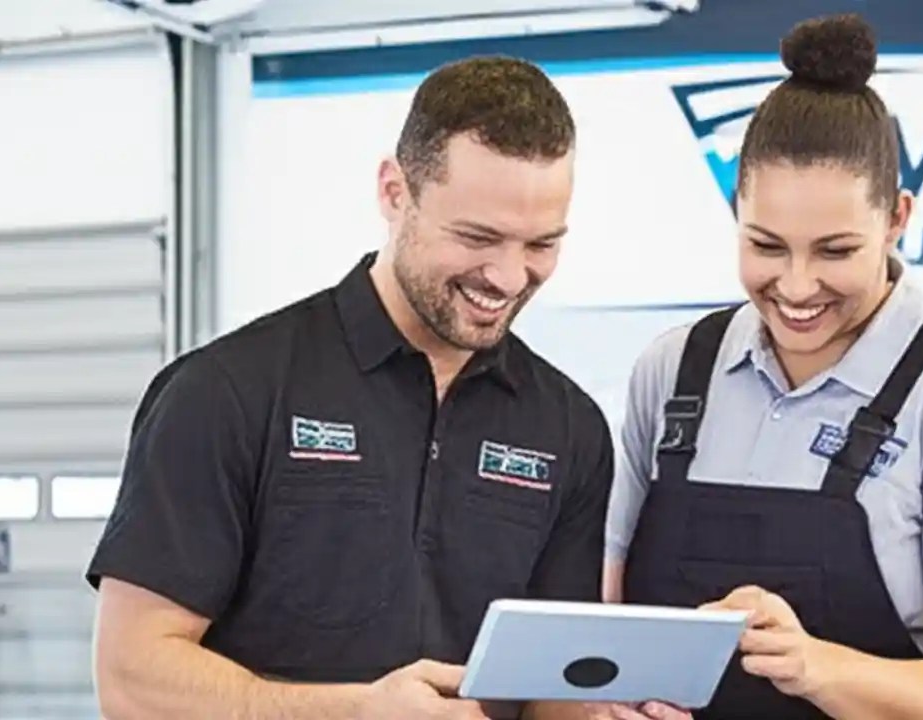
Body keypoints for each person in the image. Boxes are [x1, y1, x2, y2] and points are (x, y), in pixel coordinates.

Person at [85, 54, 614, 720]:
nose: (509, 277)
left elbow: (551, 697)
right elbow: (132, 680)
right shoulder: (225, 394)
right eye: (477, 237)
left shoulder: (569, 429)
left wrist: (607, 711)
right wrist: (358, 713)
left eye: (541, 244)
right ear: (395, 193)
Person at [598, 13, 923, 720]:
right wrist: (611, 701)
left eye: (835, 251)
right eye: (765, 245)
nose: (794, 286)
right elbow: (607, 632)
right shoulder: (670, 374)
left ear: (896, 220)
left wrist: (816, 666)